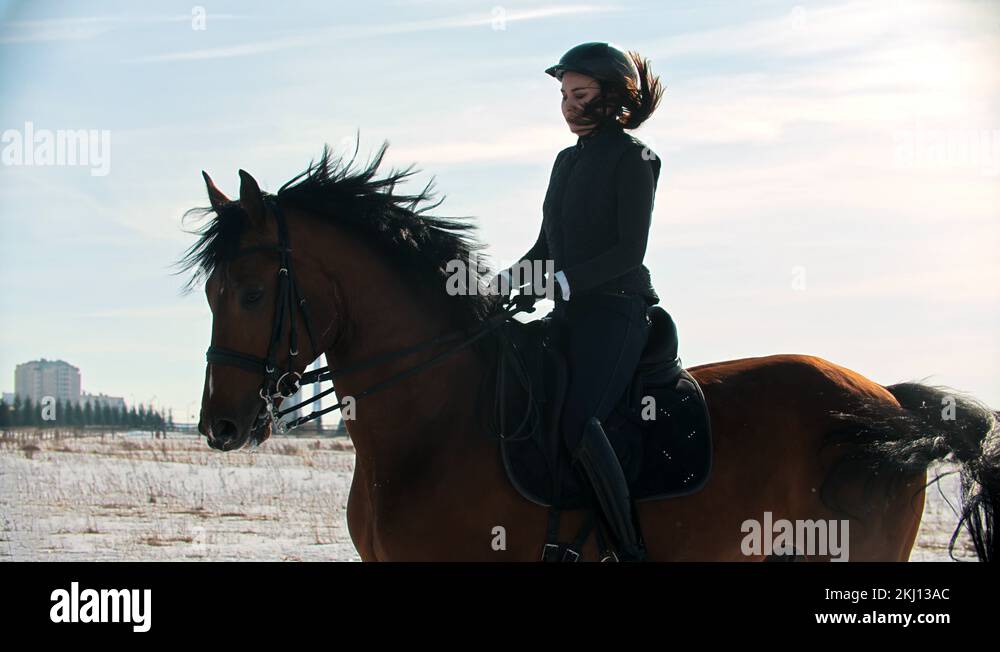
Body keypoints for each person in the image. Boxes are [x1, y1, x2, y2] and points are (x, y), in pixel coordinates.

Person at [495, 42, 664, 560]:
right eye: (564, 94)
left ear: (611, 97)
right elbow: (546, 247)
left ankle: (626, 548)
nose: (569, 104)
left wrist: (562, 282)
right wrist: (495, 285)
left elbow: (627, 250)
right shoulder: (566, 161)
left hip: (617, 311)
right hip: (568, 314)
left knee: (576, 421)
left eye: (581, 93)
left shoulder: (636, 158)